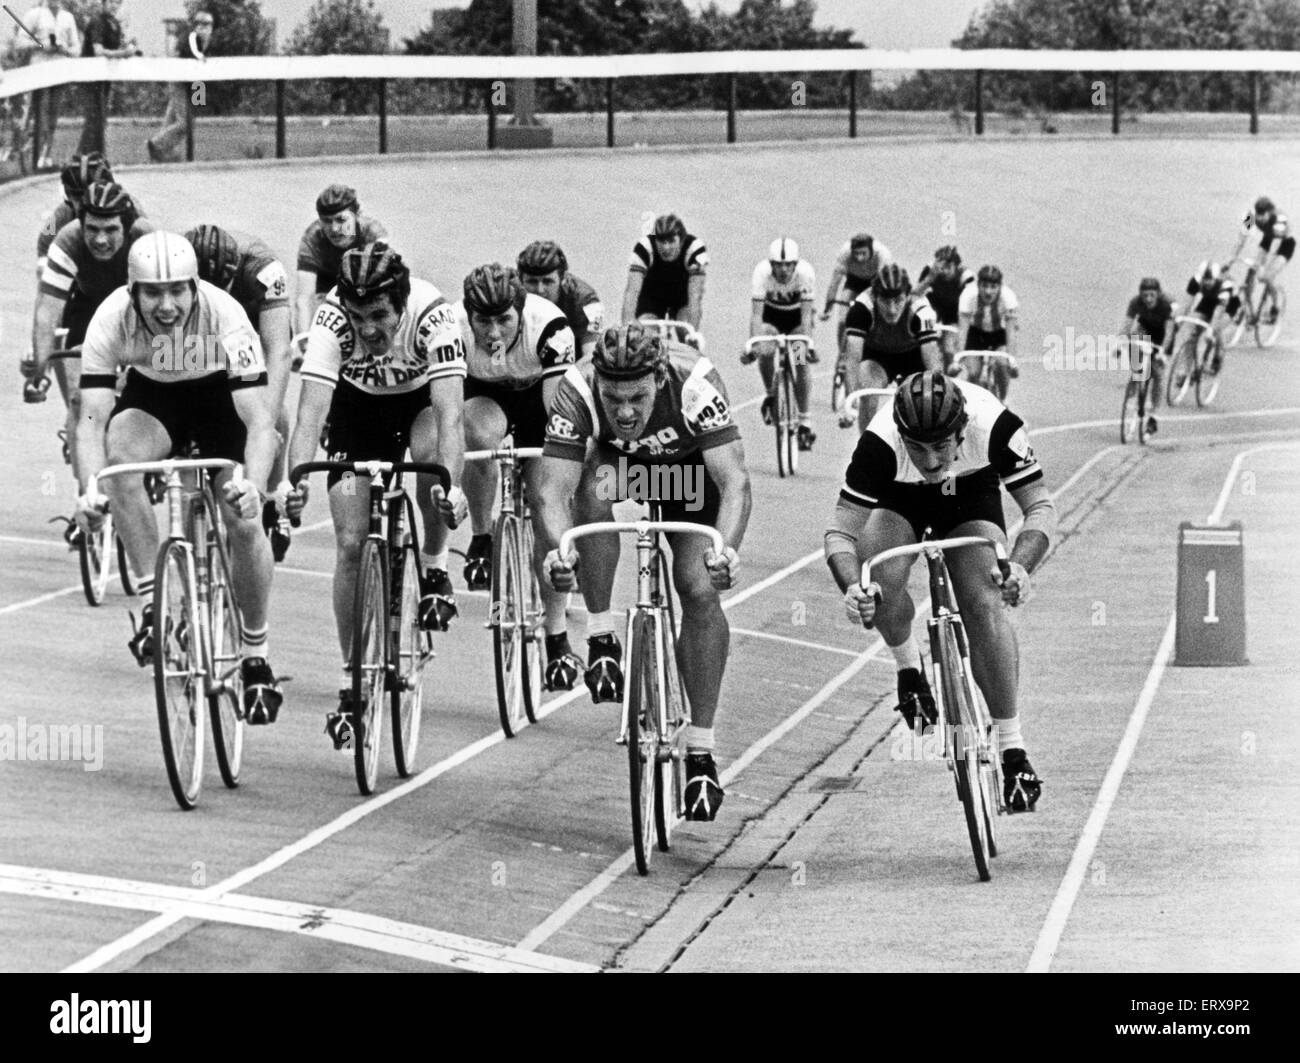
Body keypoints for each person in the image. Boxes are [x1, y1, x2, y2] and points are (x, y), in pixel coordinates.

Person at [537, 323, 752, 822]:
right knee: (591, 498)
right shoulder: (576, 388)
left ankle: (700, 751)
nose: (626, 412)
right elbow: (552, 491)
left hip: (690, 476)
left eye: (637, 397)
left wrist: (726, 551)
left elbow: (734, 481)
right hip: (621, 469)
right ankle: (602, 635)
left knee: (697, 587)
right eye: (614, 400)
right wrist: (560, 551)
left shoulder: (695, 383)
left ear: (659, 378)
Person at [73, 231, 284, 723]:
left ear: (194, 287)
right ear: (132, 292)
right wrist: (86, 489)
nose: (166, 305)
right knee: (118, 464)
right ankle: (156, 605)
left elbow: (260, 422)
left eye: (177, 291)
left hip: (221, 401)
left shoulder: (227, 314)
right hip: (156, 397)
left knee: (242, 518)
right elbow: (91, 421)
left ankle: (255, 654)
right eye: (152, 293)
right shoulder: (109, 319)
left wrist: (253, 485)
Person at [825, 371, 1055, 813]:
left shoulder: (997, 426)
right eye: (918, 447)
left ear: (962, 429)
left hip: (969, 492)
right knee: (882, 585)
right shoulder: (879, 444)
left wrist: (1022, 567)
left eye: (941, 446)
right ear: (901, 434)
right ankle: (909, 666)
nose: (930, 461)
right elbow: (840, 532)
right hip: (899, 497)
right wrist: (852, 586)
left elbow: (1040, 507)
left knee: (984, 600)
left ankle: (1013, 749)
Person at [283, 243, 469, 750]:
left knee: (431, 457)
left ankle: (433, 565)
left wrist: (451, 488)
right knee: (349, 543)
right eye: (358, 315)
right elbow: (309, 418)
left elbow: (452, 419)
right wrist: (292, 483)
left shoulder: (434, 318)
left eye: (380, 316)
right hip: (356, 416)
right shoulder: (330, 323)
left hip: (418, 409)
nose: (368, 329)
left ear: (401, 305)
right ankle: (352, 681)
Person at [454, 263, 585, 689]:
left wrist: (553, 472)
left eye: (503, 319)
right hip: (485, 398)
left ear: (521, 311)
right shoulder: (451, 330)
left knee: (548, 504)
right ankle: (481, 537)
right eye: (483, 321)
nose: (493, 332)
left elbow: (557, 410)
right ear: (468, 316)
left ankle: (556, 637)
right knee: (477, 437)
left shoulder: (550, 327)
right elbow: (448, 409)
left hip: (537, 404)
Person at [26, 180, 154, 497]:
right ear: (80, 224)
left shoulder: (146, 238)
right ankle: (88, 501)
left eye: (110, 230)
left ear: (126, 226)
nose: (100, 239)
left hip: (136, 307)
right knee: (80, 401)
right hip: (88, 306)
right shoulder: (67, 240)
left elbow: (160, 312)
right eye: (92, 229)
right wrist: (39, 371)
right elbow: (47, 312)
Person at [185, 224, 294, 559]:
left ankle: (274, 499)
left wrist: (267, 420)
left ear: (233, 275)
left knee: (274, 415)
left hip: (250, 332)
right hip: (199, 335)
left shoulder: (264, 271)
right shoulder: (178, 268)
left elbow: (279, 351)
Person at [839, 263, 941, 432]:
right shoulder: (862, 307)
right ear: (875, 296)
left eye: (898, 300)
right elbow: (853, 359)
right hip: (877, 357)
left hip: (913, 356)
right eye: (885, 301)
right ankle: (866, 450)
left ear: (908, 296)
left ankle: (804, 414)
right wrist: (851, 400)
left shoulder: (921, 310)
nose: (892, 310)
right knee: (867, 390)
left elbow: (932, 363)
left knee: (924, 399)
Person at [741, 236, 818, 450]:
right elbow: (756, 315)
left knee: (800, 360)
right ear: (771, 264)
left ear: (796, 264)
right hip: (771, 318)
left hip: (796, 321)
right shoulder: (761, 273)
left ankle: (804, 420)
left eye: (788, 265)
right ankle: (770, 394)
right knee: (765, 349)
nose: (783, 270)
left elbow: (806, 316)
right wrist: (754, 344)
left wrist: (808, 343)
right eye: (778, 265)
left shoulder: (805, 273)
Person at [294, 184, 388, 336]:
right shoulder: (312, 238)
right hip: (328, 279)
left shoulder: (373, 234)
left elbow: (385, 291)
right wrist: (303, 339)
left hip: (364, 280)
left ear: (357, 215)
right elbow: (304, 300)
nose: (335, 229)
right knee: (323, 317)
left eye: (341, 220)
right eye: (326, 221)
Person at [15, 0, 80, 168]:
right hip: (39, 71)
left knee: (53, 115)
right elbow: (20, 42)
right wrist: (40, 45)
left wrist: (63, 48)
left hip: (59, 71)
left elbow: (76, 49)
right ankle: (29, 153)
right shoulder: (34, 14)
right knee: (39, 113)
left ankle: (46, 155)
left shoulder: (68, 17)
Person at [515, 240, 603, 359]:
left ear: (563, 278)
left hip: (570, 357)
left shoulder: (586, 300)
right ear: (520, 280)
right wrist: (496, 366)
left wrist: (567, 378)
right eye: (532, 282)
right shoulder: (507, 296)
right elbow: (495, 342)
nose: (540, 290)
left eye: (548, 281)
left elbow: (590, 357)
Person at [146, 10, 212, 164]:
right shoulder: (190, 37)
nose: (205, 27)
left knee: (176, 121)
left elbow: (199, 70)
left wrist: (198, 98)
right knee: (185, 123)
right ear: (196, 25)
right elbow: (192, 55)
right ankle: (156, 144)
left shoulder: (205, 41)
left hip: (191, 83)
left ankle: (162, 154)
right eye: (201, 24)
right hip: (178, 82)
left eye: (208, 24)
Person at [621, 213, 708, 330]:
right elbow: (631, 292)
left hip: (682, 297)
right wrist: (627, 328)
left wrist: (692, 335)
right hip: (652, 295)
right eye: (661, 241)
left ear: (681, 240)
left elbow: (695, 297)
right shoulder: (644, 248)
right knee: (645, 331)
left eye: (671, 241)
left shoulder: (695, 249)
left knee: (685, 328)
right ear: (655, 239)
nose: (666, 247)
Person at [76, 0, 138, 157]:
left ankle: (96, 156)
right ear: (103, 3)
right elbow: (98, 51)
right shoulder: (97, 21)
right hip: (89, 77)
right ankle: (82, 156)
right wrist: (123, 54)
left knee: (101, 119)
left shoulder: (114, 23)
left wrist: (129, 48)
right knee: (93, 119)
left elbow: (116, 47)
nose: (114, 6)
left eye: (117, 3)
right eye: (111, 2)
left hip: (104, 78)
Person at [820, 232, 893, 362]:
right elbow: (835, 282)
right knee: (843, 320)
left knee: (877, 318)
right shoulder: (845, 253)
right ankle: (842, 356)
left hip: (874, 283)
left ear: (871, 250)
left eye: (863, 254)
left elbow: (884, 284)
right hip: (854, 283)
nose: (859, 258)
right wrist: (828, 308)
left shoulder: (883, 254)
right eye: (856, 254)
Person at [955, 264, 1020, 399]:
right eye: (984, 286)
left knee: (1002, 365)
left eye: (993, 287)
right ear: (978, 285)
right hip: (975, 334)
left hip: (998, 334)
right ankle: (972, 401)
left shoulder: (1009, 298)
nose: (988, 291)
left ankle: (1002, 400)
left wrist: (1012, 361)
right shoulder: (968, 295)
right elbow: (962, 331)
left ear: (1000, 287)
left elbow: (1011, 333)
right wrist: (957, 359)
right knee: (973, 372)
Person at [1120, 277, 1175, 435]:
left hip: (1162, 336)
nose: (1148, 299)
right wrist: (1120, 342)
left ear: (1158, 294)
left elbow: (1169, 333)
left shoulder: (1166, 305)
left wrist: (1162, 353)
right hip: (1145, 329)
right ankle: (1137, 377)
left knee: (1157, 374)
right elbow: (1127, 325)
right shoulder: (1135, 302)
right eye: (1145, 296)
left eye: (1152, 295)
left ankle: (1153, 416)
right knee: (1134, 342)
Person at [1232, 195, 1293, 315]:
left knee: (1264, 276)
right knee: (1253, 269)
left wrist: (1264, 267)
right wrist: (1232, 258)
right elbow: (1242, 238)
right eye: (1258, 214)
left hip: (1284, 245)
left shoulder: (1279, 220)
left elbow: (1276, 245)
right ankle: (1247, 303)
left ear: (1270, 213)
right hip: (1268, 239)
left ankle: (1276, 305)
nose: (1259, 218)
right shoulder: (1251, 215)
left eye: (1263, 215)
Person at [913, 245, 974, 366]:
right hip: (936, 307)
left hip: (955, 311)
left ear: (956, 266)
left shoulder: (966, 276)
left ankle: (950, 375)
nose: (944, 271)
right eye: (941, 268)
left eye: (948, 267)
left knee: (949, 348)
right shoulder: (931, 269)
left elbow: (971, 307)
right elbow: (915, 295)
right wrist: (930, 277)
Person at [1182, 261, 1241, 375]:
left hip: (1228, 305)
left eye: (1210, 280)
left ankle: (1218, 356)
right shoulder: (1195, 281)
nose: (1207, 282)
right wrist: (1178, 323)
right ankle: (1187, 370)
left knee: (1216, 329)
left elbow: (1218, 312)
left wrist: (1210, 329)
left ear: (1216, 279)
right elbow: (1187, 305)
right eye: (1204, 279)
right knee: (1192, 333)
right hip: (1208, 301)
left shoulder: (1225, 285)